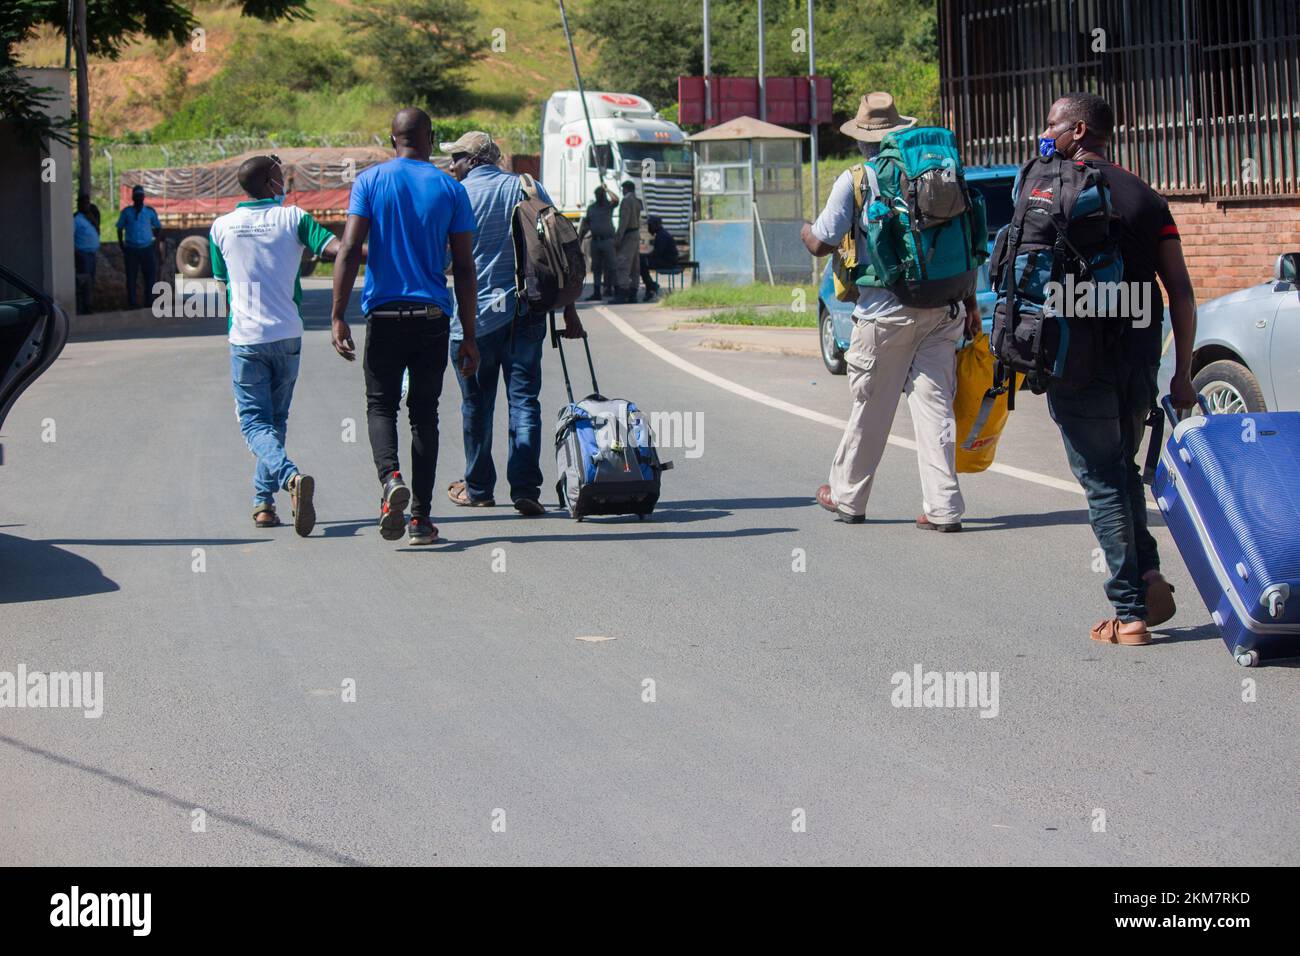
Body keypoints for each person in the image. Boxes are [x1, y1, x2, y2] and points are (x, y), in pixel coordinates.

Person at [1032, 92, 1198, 647]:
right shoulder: (1147, 197)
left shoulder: (1048, 185)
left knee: (1102, 478)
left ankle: (1129, 616)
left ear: (1079, 129)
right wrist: (1182, 375)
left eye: (1053, 123)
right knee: (1122, 468)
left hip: (1074, 355)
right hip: (1138, 356)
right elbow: (1180, 292)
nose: (1045, 131)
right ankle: (1148, 574)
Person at [801, 91, 980, 531]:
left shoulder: (859, 178)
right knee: (935, 406)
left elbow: (822, 241)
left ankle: (847, 497)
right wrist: (971, 303)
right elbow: (967, 241)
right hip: (946, 308)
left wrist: (803, 229)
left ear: (863, 139)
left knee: (872, 407)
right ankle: (944, 508)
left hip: (885, 313)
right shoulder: (940, 171)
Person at [329, 107, 480, 546]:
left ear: (391, 138)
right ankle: (420, 519)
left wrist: (339, 314)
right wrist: (469, 335)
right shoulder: (451, 188)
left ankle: (390, 478)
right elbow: (465, 269)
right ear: (431, 140)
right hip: (432, 318)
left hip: (384, 316)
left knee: (380, 406)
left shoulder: (371, 182)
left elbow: (350, 249)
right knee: (424, 416)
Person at [442, 131, 585, 516]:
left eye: (455, 157)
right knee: (524, 401)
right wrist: (569, 308)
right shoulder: (527, 185)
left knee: (476, 405)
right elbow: (560, 251)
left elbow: (441, 259)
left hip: (473, 320)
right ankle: (525, 489)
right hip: (528, 312)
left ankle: (479, 488)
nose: (450, 165)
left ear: (471, 160)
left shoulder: (454, 195)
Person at [210, 154, 342, 535]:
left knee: (254, 422)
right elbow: (335, 249)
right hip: (287, 336)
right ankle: (263, 503)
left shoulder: (221, 227)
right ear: (270, 184)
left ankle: (288, 478)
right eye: (280, 176)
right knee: (275, 421)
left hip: (247, 339)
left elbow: (224, 285)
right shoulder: (293, 218)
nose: (284, 182)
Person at [116, 184, 161, 309]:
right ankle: (132, 302)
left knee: (150, 276)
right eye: (136, 196)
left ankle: (149, 301)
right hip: (131, 249)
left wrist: (155, 244)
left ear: (144, 197)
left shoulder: (150, 212)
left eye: (140, 196)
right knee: (131, 277)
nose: (139, 198)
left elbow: (158, 227)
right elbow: (119, 228)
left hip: (147, 248)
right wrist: (121, 245)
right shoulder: (126, 212)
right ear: (133, 198)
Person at [577, 186, 616, 301]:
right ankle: (597, 292)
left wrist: (608, 189)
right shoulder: (591, 208)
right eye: (598, 194)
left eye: (601, 194)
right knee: (597, 268)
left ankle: (614, 289)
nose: (599, 196)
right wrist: (579, 240)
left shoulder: (608, 206)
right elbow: (586, 224)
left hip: (608, 240)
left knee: (611, 267)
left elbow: (616, 199)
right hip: (595, 241)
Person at [612, 181, 642, 304]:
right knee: (635, 266)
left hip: (628, 235)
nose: (622, 191)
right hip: (636, 233)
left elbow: (624, 221)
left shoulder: (626, 201)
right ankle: (633, 294)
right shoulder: (637, 201)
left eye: (623, 188)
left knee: (623, 264)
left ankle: (622, 293)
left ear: (627, 189)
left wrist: (618, 238)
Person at [638, 215, 678, 301]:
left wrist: (645, 256)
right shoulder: (660, 234)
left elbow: (657, 253)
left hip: (667, 262)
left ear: (655, 225)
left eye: (650, 225)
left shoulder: (662, 236)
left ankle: (651, 286)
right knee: (642, 262)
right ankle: (651, 286)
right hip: (665, 260)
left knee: (642, 264)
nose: (649, 228)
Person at [73, 194, 99, 313]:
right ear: (79, 205)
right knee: (84, 282)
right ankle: (83, 307)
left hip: (92, 254)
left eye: (88, 203)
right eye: (84, 203)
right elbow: (70, 237)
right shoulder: (76, 219)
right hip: (83, 254)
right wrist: (76, 252)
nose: (87, 205)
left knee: (91, 281)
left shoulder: (89, 218)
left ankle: (88, 305)